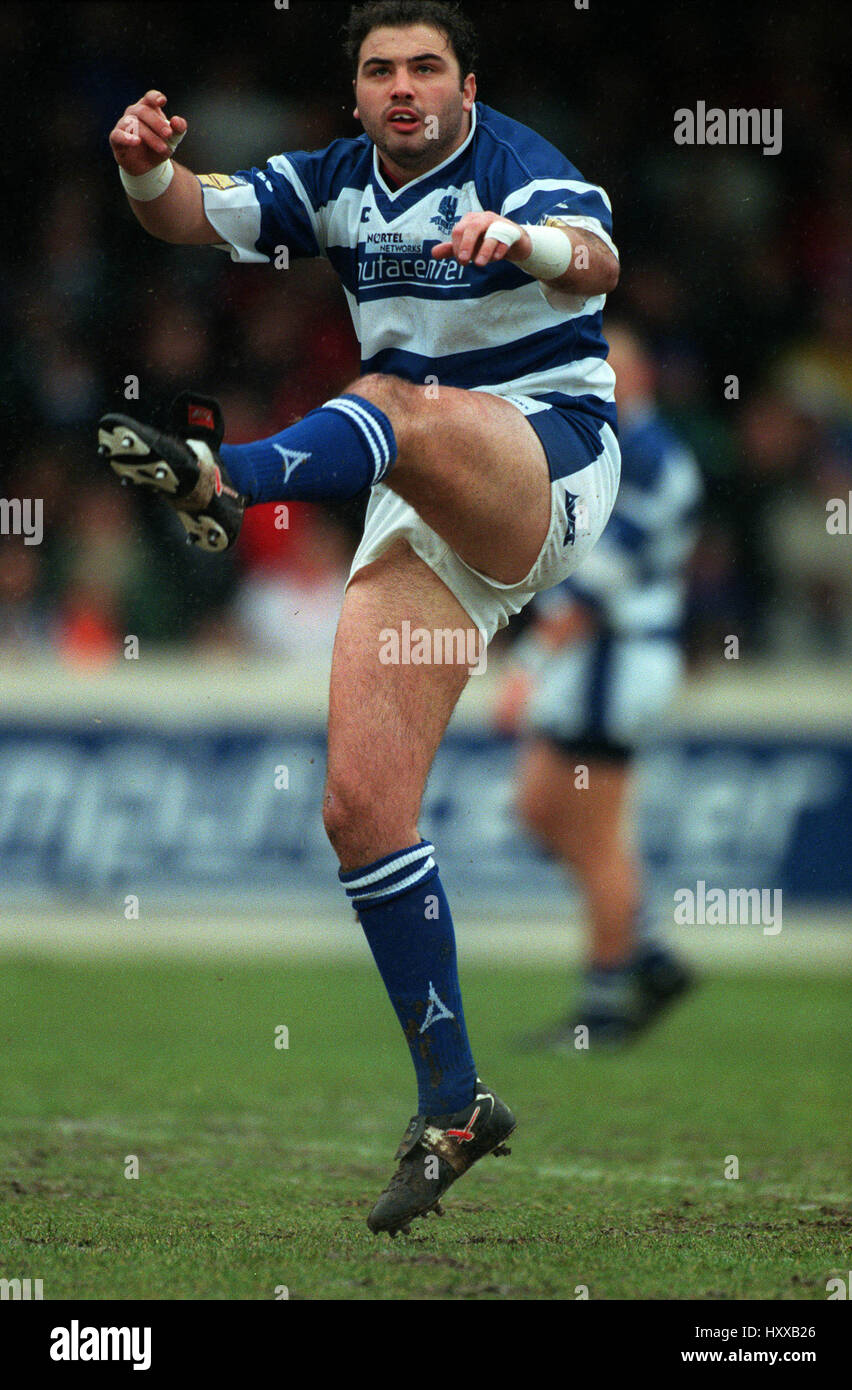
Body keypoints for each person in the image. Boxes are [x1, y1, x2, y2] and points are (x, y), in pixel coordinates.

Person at [98, 0, 621, 1234]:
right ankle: (453, 1105)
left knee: (394, 398)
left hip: (542, 460)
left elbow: (600, 261)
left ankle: (227, 476)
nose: (402, 87)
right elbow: (195, 213)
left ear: (467, 85)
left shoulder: (522, 167)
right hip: (417, 493)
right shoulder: (333, 182)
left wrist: (525, 247)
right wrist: (143, 167)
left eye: (425, 67)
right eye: (380, 70)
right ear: (355, 97)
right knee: (360, 807)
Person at [497, 323, 703, 1048]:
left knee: (595, 832)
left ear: (638, 377)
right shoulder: (611, 448)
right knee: (538, 811)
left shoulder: (652, 458)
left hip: (617, 661)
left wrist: (526, 669)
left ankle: (607, 1003)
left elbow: (598, 579)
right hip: (598, 662)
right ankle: (645, 951)